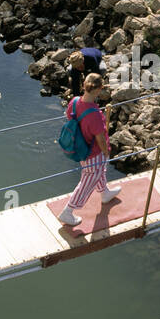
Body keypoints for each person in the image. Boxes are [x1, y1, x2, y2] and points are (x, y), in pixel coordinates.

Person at [58, 73, 120, 226]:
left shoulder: (74, 102)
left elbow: (71, 118)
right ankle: (68, 211)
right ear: (98, 90)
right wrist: (106, 152)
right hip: (94, 153)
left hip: (81, 149)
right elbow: (100, 139)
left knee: (98, 172)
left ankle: (104, 193)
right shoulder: (95, 115)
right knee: (87, 181)